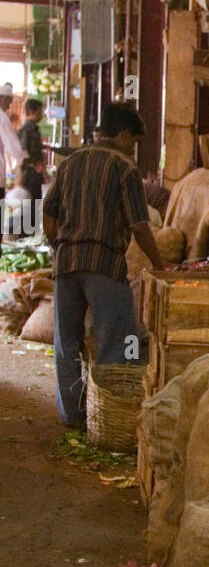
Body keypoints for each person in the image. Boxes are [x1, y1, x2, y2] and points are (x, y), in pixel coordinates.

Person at [42, 102, 162, 427]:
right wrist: (159, 263)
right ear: (123, 135)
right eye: (134, 142)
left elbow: (48, 213)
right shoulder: (124, 168)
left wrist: (60, 246)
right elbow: (139, 225)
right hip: (104, 265)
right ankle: (108, 422)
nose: (133, 149)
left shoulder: (71, 162)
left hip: (66, 265)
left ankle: (73, 418)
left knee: (66, 343)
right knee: (118, 343)